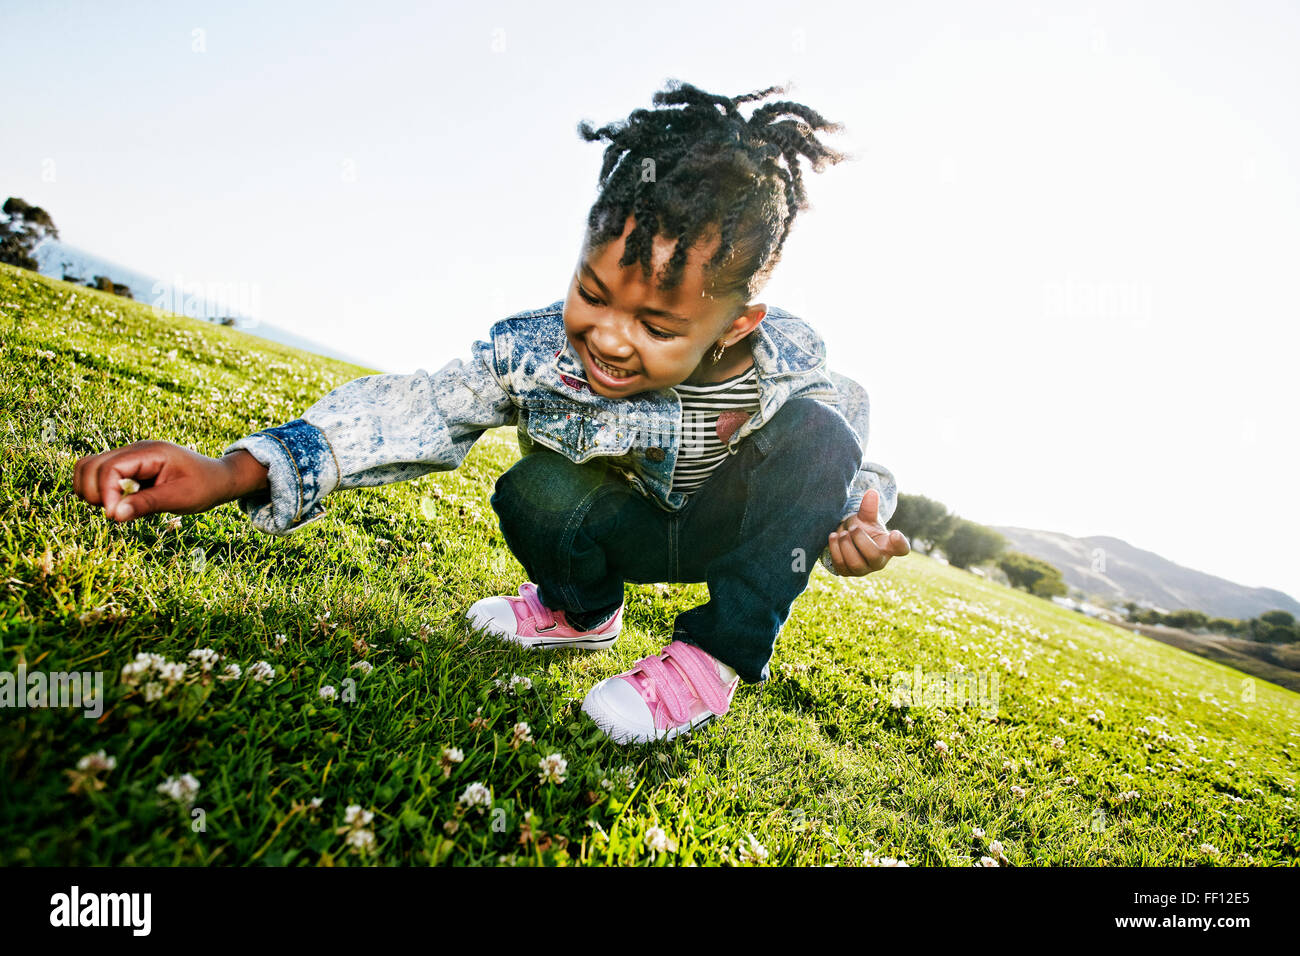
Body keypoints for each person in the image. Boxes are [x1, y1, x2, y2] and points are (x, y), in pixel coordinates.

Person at [71, 80, 910, 746]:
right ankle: (581, 612)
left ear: (734, 323)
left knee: (822, 432)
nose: (610, 341)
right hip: (629, 526)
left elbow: (839, 472)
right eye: (592, 294)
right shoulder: (536, 352)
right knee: (532, 487)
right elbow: (417, 410)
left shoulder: (791, 367)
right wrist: (234, 470)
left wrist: (853, 520)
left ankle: (708, 662)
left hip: (730, 531)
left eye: (657, 326)